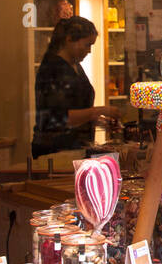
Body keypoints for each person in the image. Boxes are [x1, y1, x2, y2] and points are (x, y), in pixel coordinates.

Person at [32, 15, 119, 159]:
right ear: (69, 39)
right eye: (87, 45)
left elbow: (76, 110)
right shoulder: (52, 68)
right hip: (55, 151)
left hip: (74, 148)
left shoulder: (76, 65)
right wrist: (98, 111)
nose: (89, 51)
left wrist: (99, 120)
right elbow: (57, 118)